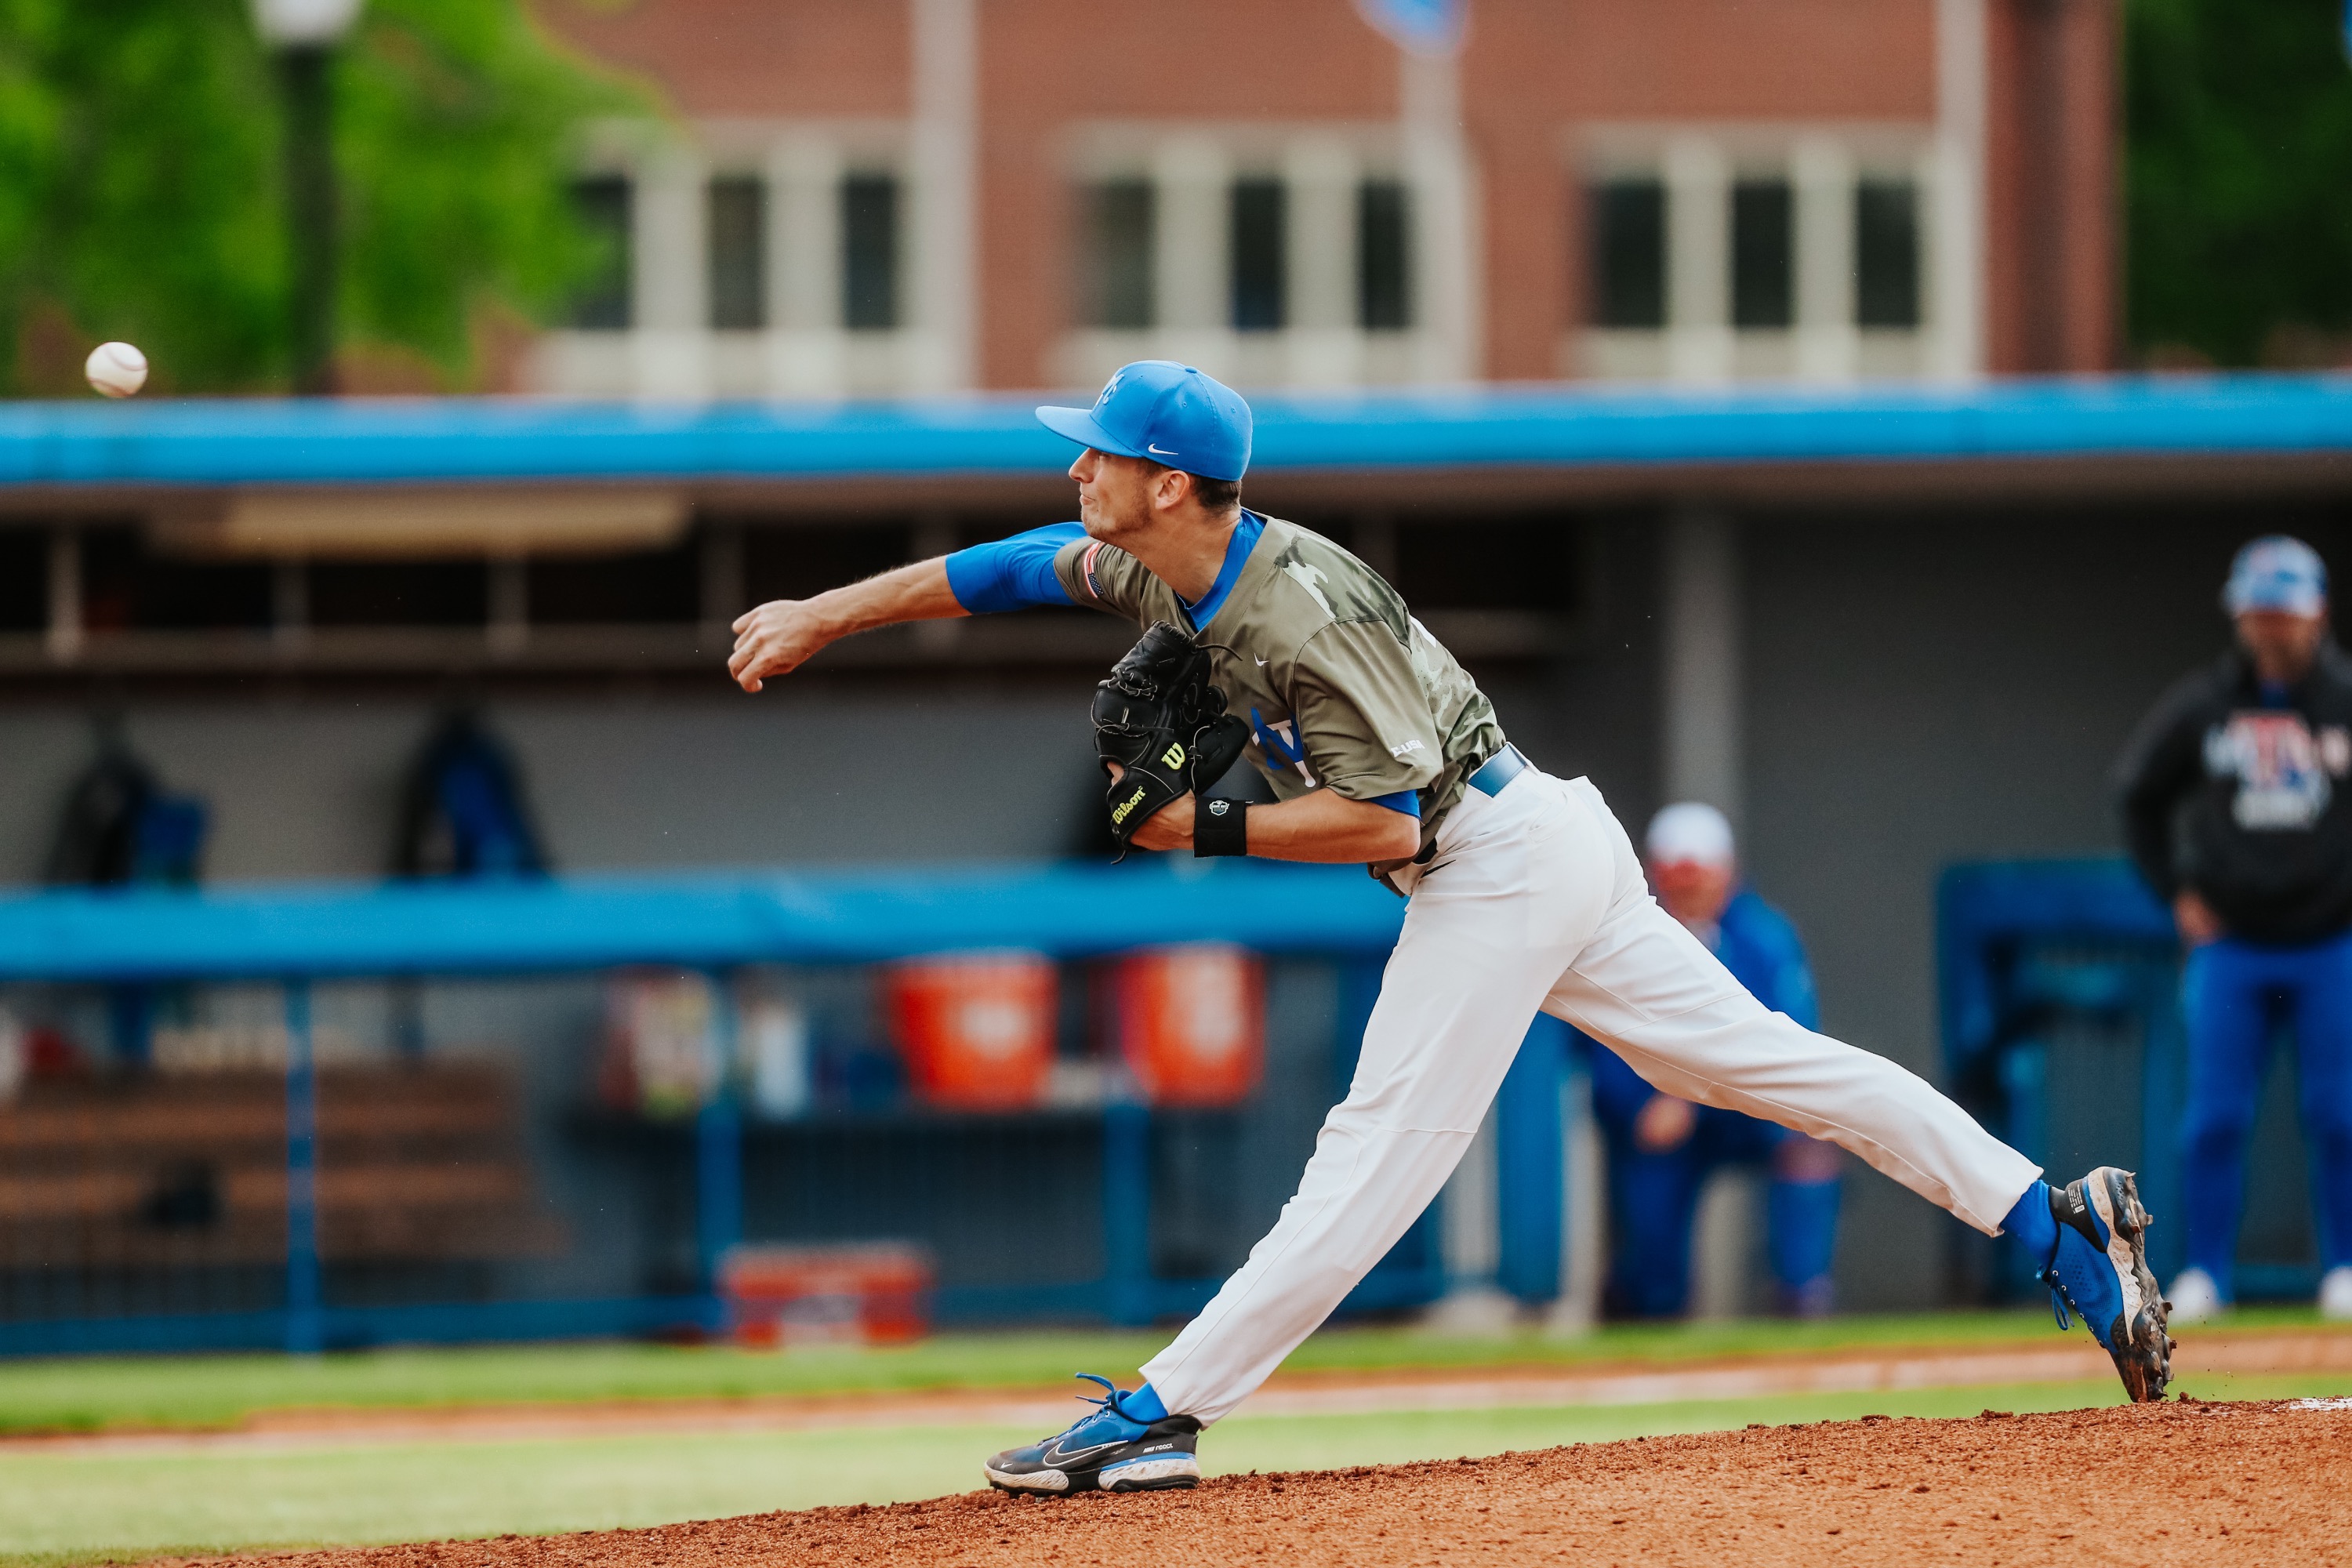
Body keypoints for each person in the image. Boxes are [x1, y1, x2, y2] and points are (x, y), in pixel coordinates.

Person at [728, 360, 2171, 1495]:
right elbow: (1008, 566)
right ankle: (2051, 1217)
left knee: (1374, 1156)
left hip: (1491, 855)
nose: (1075, 466)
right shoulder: (1165, 554)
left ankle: (1159, 1411)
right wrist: (820, 612)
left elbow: (1390, 825)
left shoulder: (1298, 616)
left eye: (1097, 450)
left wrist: (1203, 833)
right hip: (1542, 835)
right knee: (1758, 1062)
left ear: (1168, 483)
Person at [2116, 535, 2352, 1324]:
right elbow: (2138, 794)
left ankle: (2345, 1264)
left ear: (2315, 613)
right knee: (2214, 1114)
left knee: (2340, 1110)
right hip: (2232, 945)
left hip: (2331, 940)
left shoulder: (2344, 701)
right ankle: (2208, 1266)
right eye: (2258, 614)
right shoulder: (2205, 703)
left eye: (2283, 613)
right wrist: (2175, 891)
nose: (2271, 629)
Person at [1586, 802, 1843, 1319]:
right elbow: (1600, 1041)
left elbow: (1792, 1038)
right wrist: (1646, 1104)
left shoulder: (1764, 938)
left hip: (1748, 1106)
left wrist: (1693, 1097)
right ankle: (1649, 1298)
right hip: (1657, 1112)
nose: (1691, 890)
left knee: (1808, 1145)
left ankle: (1801, 1294)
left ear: (1727, 874)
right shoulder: (1622, 939)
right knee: (1649, 1161)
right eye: (1678, 877)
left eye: (1701, 876)